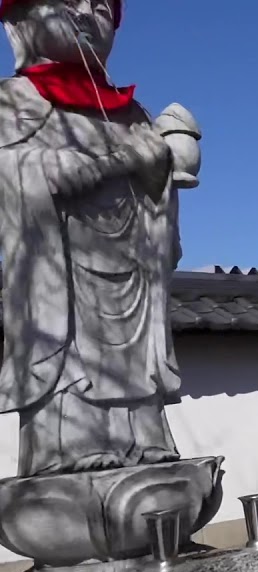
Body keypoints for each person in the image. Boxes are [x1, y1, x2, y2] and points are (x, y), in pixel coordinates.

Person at [0, 0, 186, 476]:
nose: (85, 12)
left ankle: (145, 437)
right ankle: (67, 446)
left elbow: (158, 191)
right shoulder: (14, 101)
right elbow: (12, 174)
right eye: (66, 1)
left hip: (131, 266)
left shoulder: (131, 112)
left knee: (138, 353)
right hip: (61, 277)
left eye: (100, 5)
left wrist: (159, 174)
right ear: (18, 24)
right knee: (69, 357)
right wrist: (45, 168)